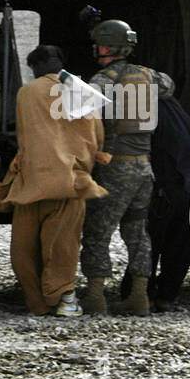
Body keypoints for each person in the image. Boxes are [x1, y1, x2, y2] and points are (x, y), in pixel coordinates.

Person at [0, 45, 111, 316]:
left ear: (35, 67)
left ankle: (37, 304)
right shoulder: (81, 90)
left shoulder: (26, 93)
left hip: (30, 183)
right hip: (71, 182)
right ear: (60, 63)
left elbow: (22, 135)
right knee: (62, 247)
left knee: (23, 249)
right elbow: (97, 135)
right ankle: (64, 301)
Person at [79, 19, 174, 316]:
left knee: (98, 231)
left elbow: (79, 106)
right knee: (137, 231)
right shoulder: (151, 76)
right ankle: (139, 297)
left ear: (107, 46)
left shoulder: (102, 80)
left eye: (99, 44)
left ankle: (95, 296)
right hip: (144, 168)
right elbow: (169, 87)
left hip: (114, 167)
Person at [120, 95, 190, 312]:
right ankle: (166, 296)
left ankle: (139, 294)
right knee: (180, 246)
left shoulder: (151, 112)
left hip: (164, 191)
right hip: (189, 189)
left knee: (149, 242)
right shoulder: (179, 115)